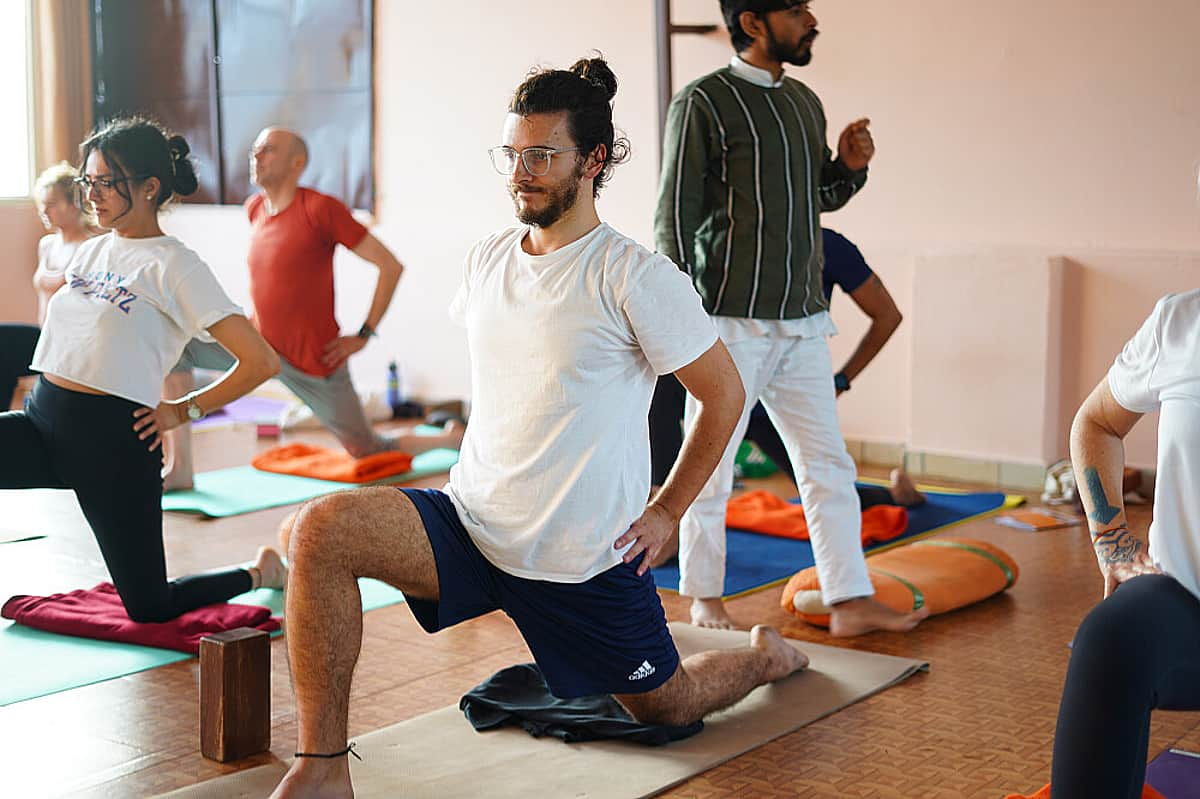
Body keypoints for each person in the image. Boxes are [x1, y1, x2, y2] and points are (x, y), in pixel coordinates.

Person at [268, 58, 808, 799]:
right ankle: (322, 767)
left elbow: (724, 397)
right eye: (513, 154)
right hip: (472, 526)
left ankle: (764, 657)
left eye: (542, 156)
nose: (521, 172)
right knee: (321, 528)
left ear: (592, 161)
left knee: (669, 708)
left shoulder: (637, 277)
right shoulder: (489, 259)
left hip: (582, 560)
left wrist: (668, 511)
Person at [654, 0, 928, 634]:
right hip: (728, 320)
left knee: (827, 465)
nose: (812, 20)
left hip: (804, 320)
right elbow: (674, 214)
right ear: (753, 23)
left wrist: (850, 168)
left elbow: (820, 195)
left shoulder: (806, 102)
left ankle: (847, 600)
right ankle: (704, 600)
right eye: (797, 10)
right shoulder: (702, 102)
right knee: (711, 465)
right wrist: (677, 313)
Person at [0, 117, 286, 622]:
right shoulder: (92, 249)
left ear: (150, 187)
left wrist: (181, 410)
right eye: (88, 181)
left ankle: (260, 572)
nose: (93, 195)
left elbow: (261, 361)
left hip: (112, 447)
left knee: (148, 607)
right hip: (42, 420)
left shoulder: (176, 265)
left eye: (105, 183)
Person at [162, 127, 463, 490]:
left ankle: (450, 439)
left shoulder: (320, 209)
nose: (255, 157)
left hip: (315, 360)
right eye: (255, 150)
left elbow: (390, 266)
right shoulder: (255, 209)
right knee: (176, 348)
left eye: (268, 150)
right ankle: (180, 470)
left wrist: (364, 334)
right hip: (257, 346)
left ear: (297, 162)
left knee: (367, 450)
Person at [649, 227, 924, 540]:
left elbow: (888, 315)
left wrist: (842, 380)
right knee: (663, 385)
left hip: (771, 405)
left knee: (824, 492)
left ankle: (896, 495)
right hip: (720, 396)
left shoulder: (827, 245)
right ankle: (662, 507)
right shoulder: (715, 241)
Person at [1045, 291, 1200, 798]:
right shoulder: (1181, 322)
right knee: (1110, 637)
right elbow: (1097, 422)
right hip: (1186, 601)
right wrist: (1112, 544)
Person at [0, 163, 102, 409]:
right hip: (44, 337)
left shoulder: (91, 248)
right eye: (42, 204)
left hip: (71, 345)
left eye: (52, 204)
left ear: (75, 203)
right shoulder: (47, 244)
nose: (44, 210)